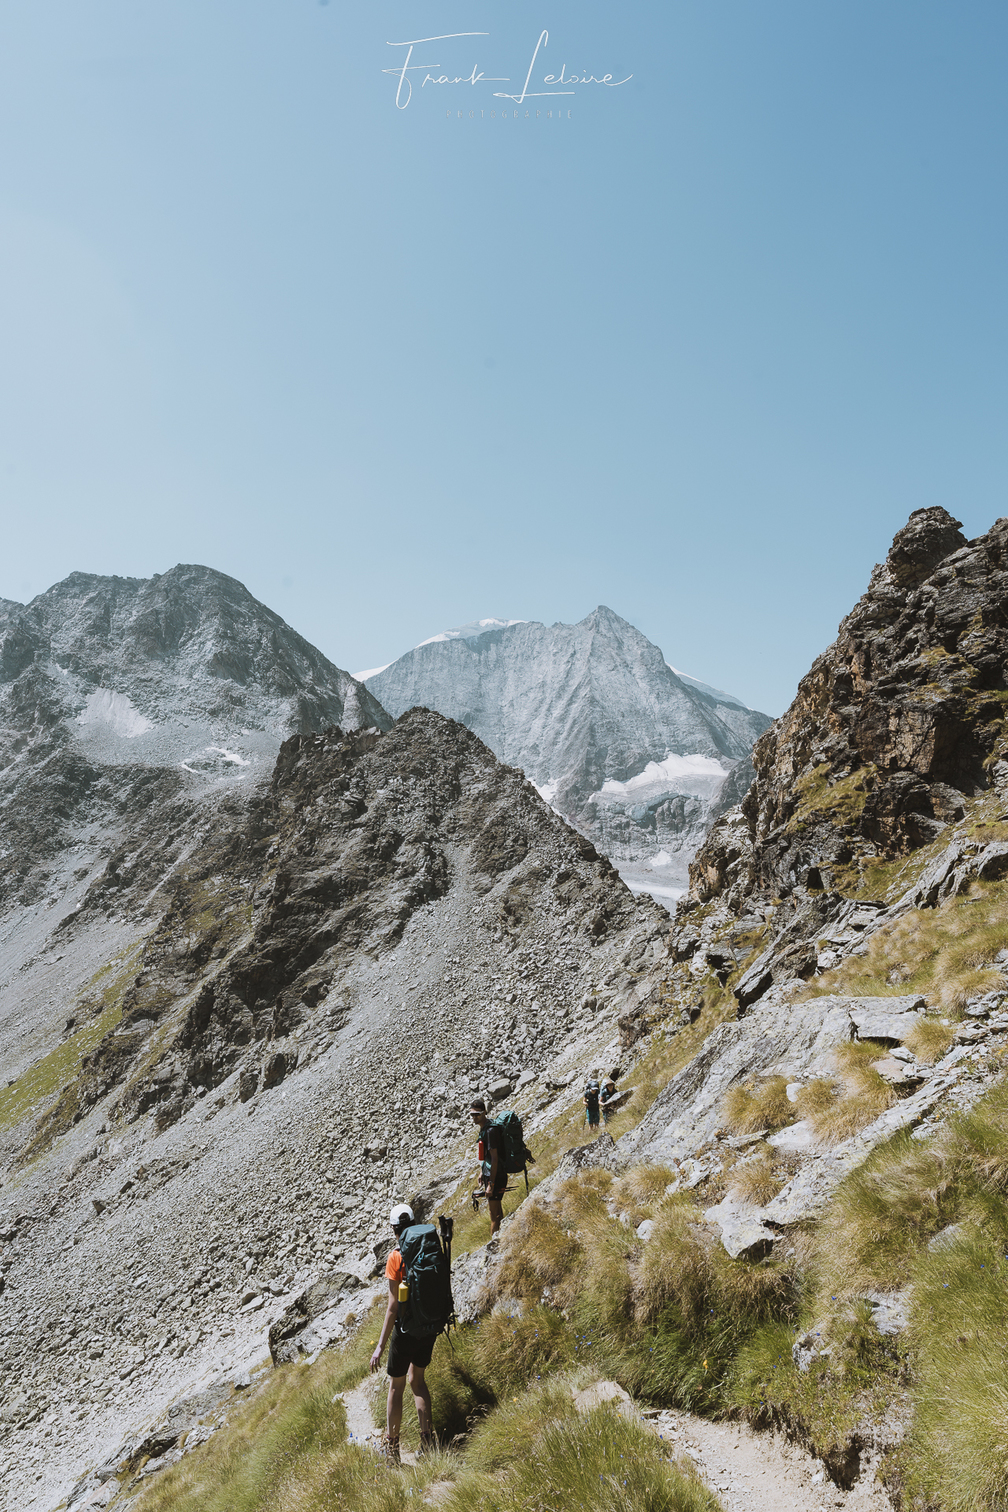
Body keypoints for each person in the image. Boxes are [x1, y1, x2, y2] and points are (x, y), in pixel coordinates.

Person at [369, 1203, 435, 1463]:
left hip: (406, 1329)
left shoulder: (396, 1256)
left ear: (394, 1229)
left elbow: (393, 1306)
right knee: (417, 1381)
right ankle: (428, 1445)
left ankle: (392, 1450)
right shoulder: (430, 1246)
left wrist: (380, 1346)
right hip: (430, 1326)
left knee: (396, 1387)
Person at [469, 1098, 506, 1235]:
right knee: (497, 1213)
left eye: (477, 1114)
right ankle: (502, 1238)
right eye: (472, 1114)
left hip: (496, 1177)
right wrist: (481, 1173)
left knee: (494, 1216)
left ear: (484, 1112)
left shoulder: (490, 1131)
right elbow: (488, 1158)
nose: (474, 1117)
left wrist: (491, 1183)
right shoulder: (484, 1128)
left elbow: (495, 1159)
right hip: (491, 1175)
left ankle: (495, 1246)